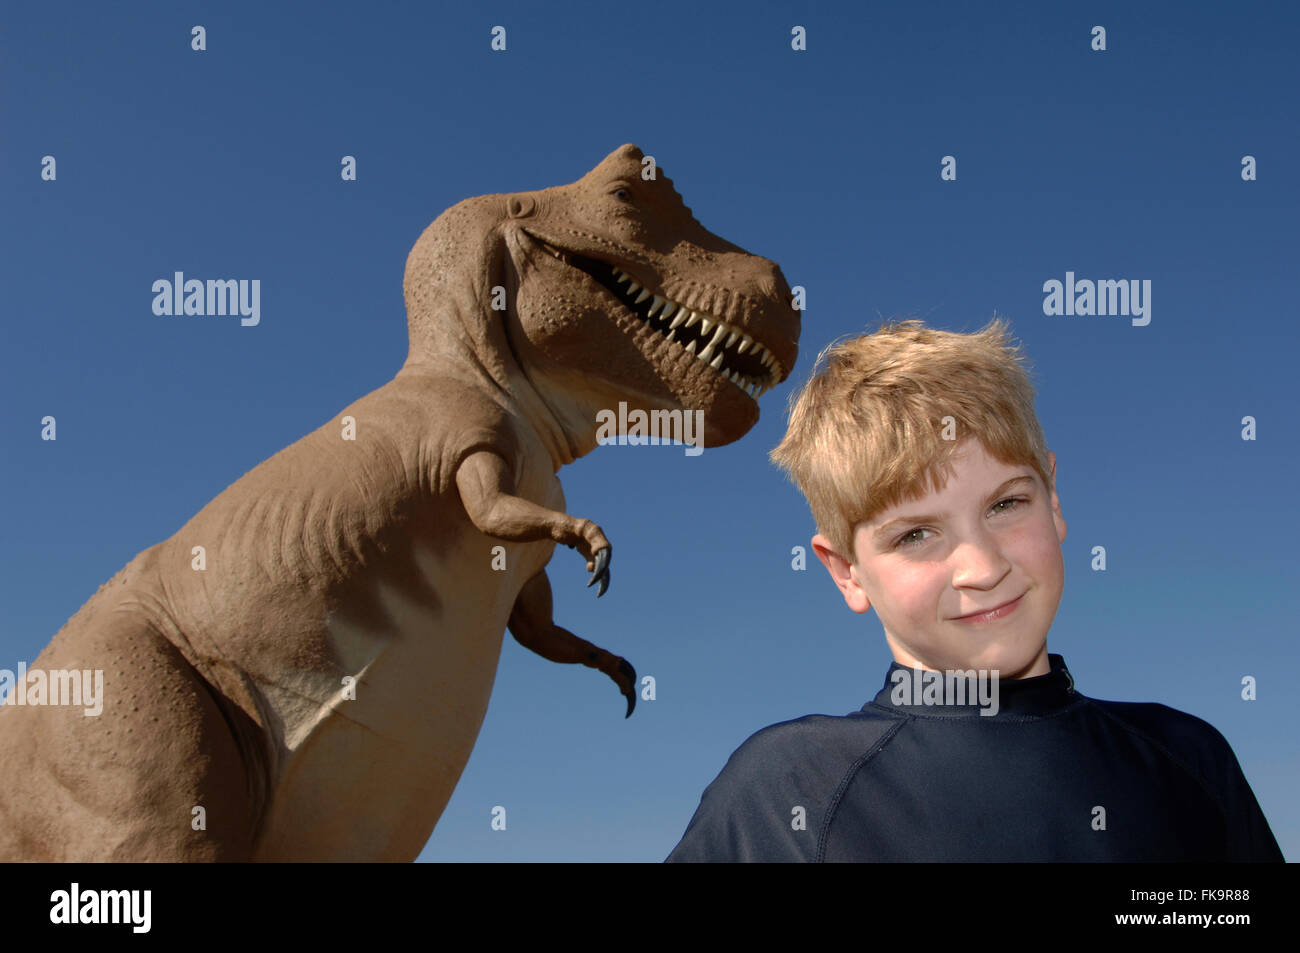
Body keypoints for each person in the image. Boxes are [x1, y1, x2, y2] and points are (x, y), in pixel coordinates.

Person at [665, 317, 1283, 862]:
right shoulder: (789, 793)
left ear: (1054, 495)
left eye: (1006, 504)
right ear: (846, 571)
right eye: (915, 536)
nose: (981, 568)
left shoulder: (1187, 760)